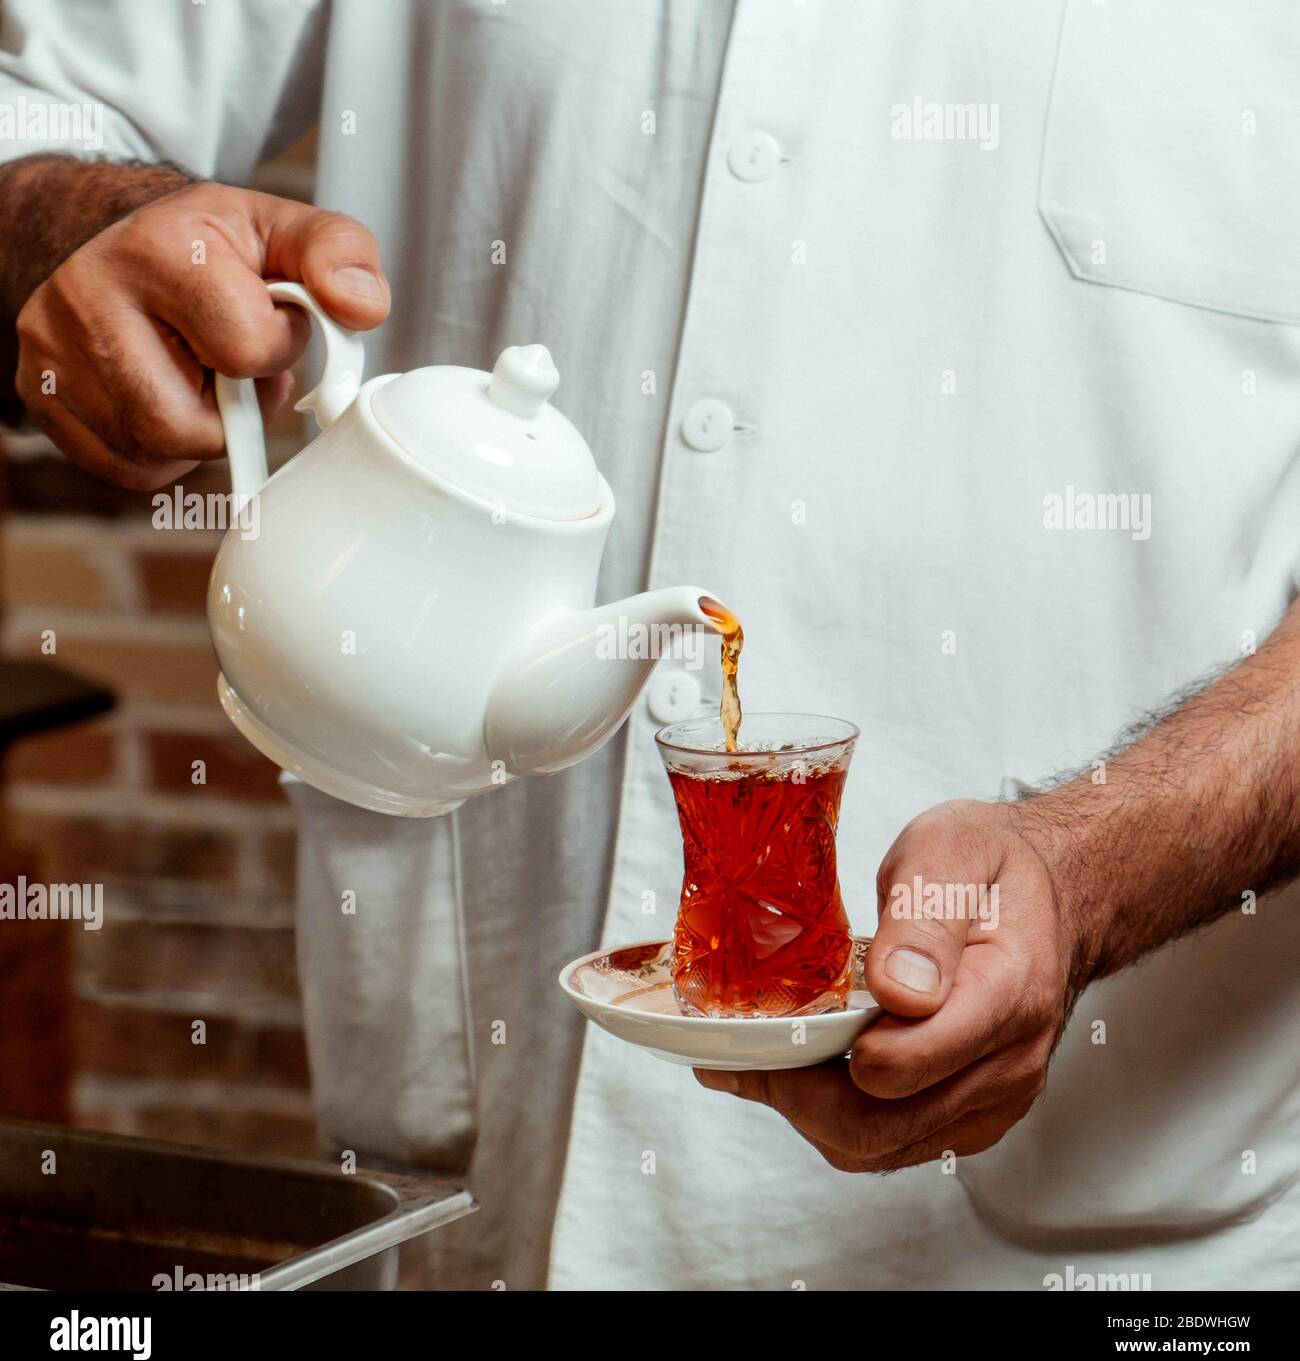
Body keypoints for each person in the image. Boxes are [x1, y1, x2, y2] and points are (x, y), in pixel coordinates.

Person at [3, 0, 1300, 1291]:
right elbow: (38, 109)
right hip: (477, 1185)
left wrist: (1091, 876)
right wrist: (75, 225)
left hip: (1121, 1232)